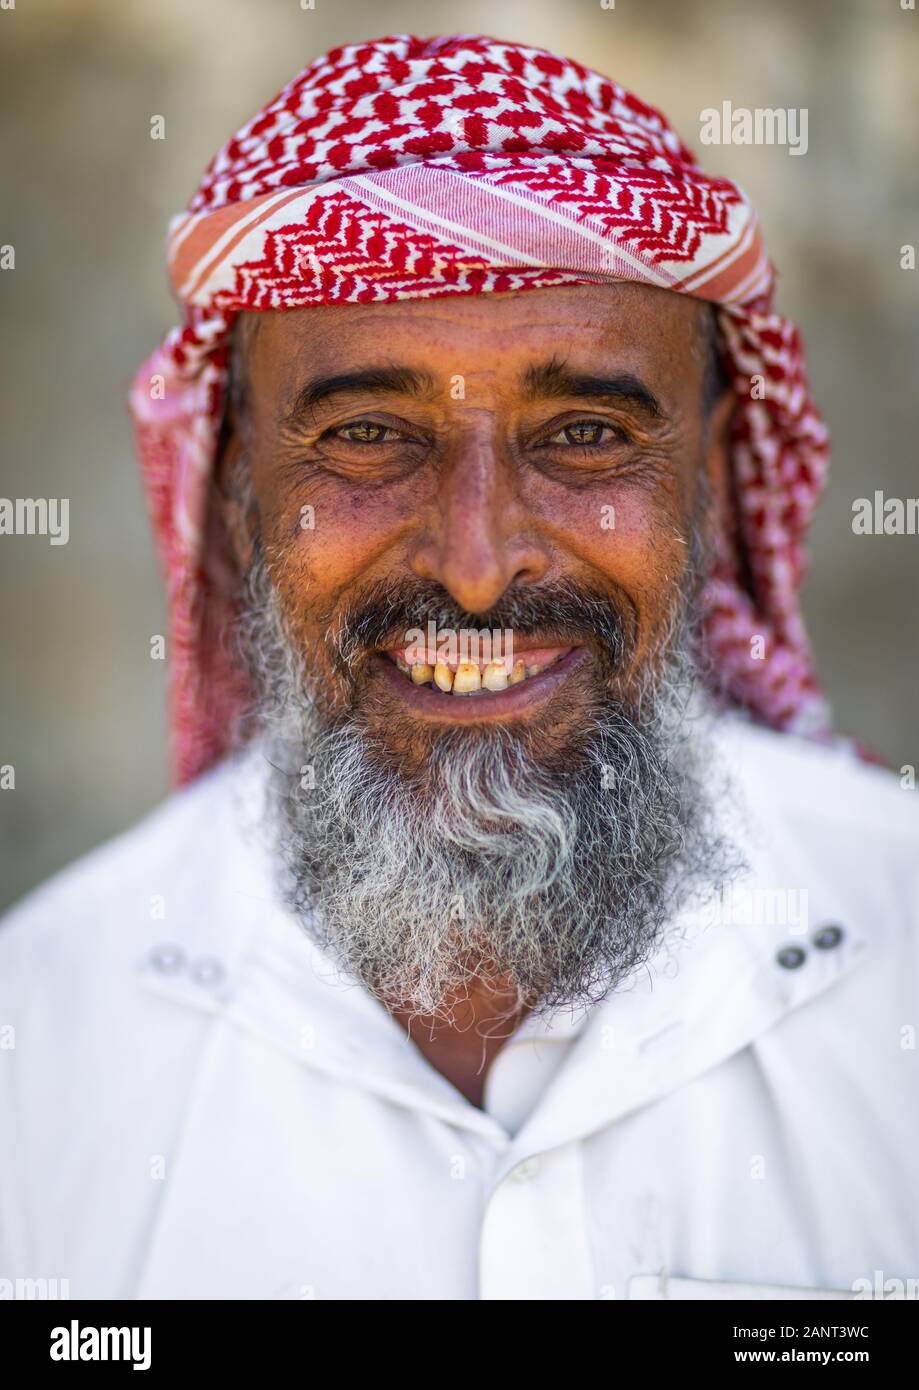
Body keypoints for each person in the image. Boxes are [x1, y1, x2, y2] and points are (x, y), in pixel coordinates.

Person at [1, 34, 916, 1302]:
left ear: (708, 465)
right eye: (368, 434)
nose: (478, 565)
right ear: (232, 473)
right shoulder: (39, 1049)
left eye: (587, 434)